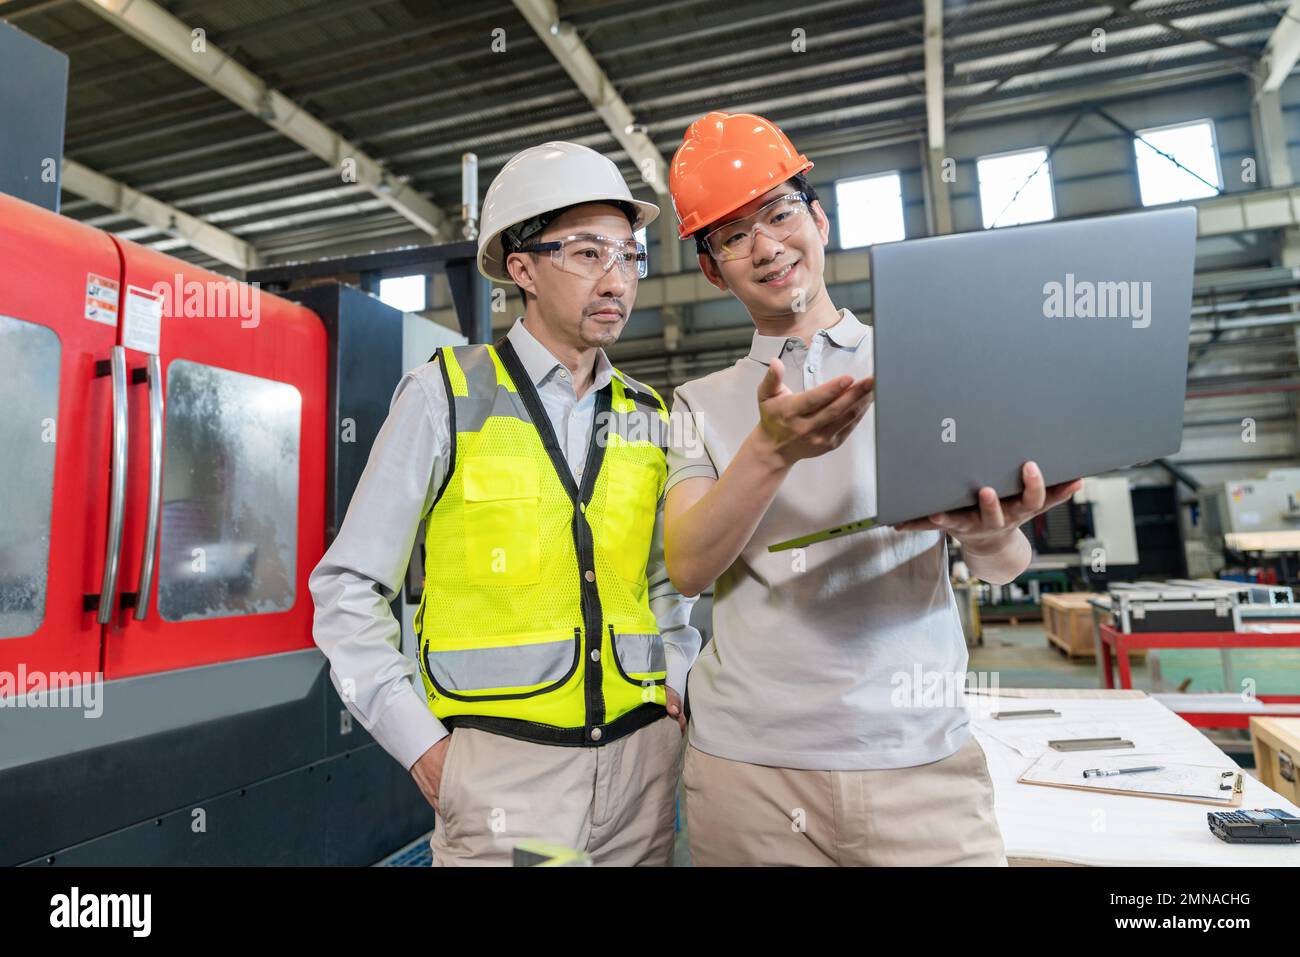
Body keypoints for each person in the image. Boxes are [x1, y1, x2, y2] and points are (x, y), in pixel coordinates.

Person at [663, 111, 1082, 866]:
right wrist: (769, 451)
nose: (765, 246)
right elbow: (690, 565)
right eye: (731, 235)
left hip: (919, 759)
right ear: (711, 268)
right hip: (751, 772)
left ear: (819, 218)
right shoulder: (699, 403)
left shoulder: (925, 364)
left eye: (780, 212)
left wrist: (989, 531)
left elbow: (1002, 563)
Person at [310, 141, 701, 866]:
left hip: (644, 764)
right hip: (504, 779)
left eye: (628, 254)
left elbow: (661, 583)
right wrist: (422, 746)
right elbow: (347, 588)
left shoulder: (649, 412)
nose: (616, 278)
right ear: (521, 267)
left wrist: (677, 672)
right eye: (587, 253)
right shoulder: (447, 395)